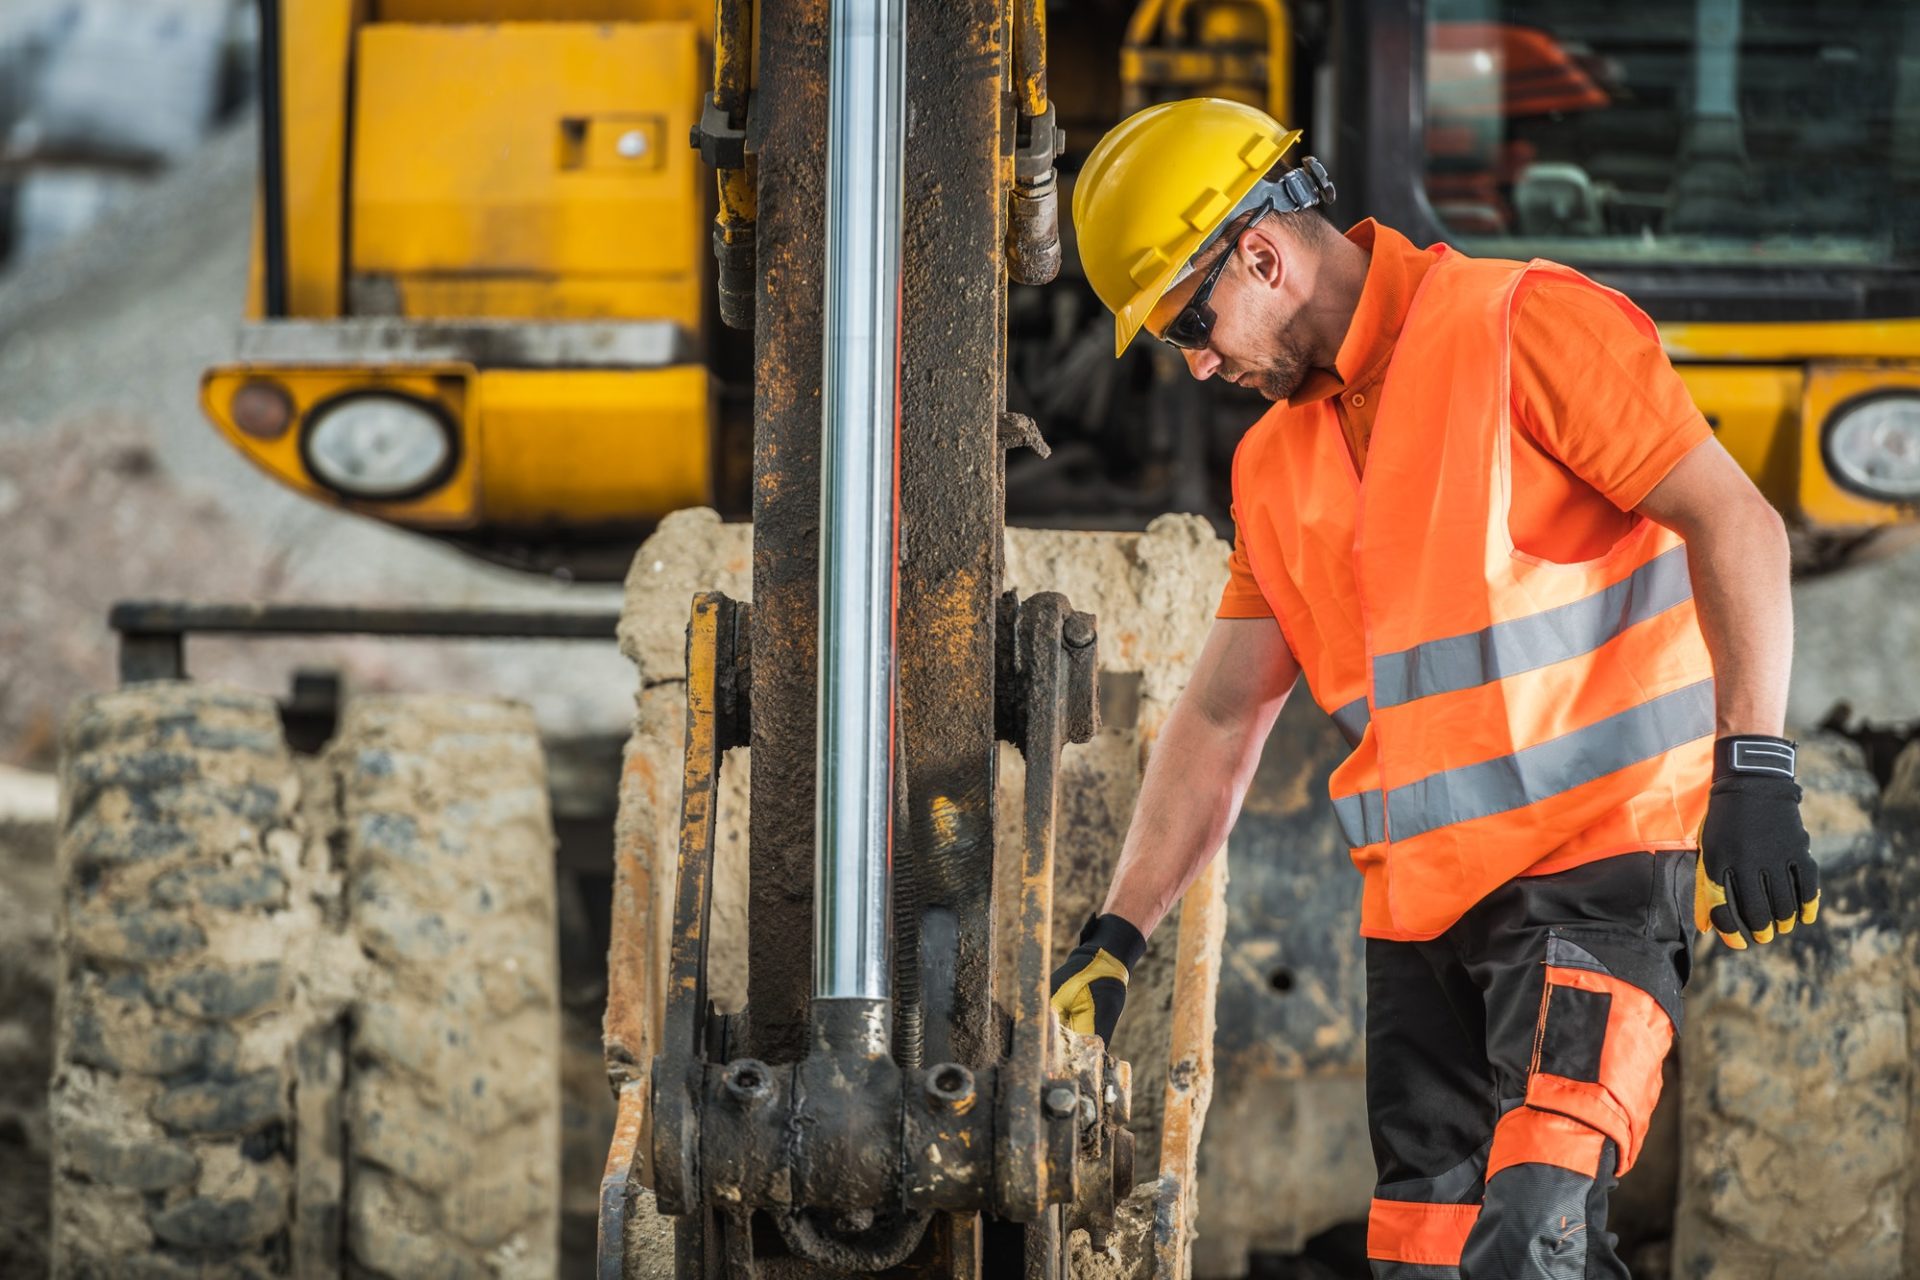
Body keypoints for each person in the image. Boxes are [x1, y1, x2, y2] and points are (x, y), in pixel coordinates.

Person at [1048, 98, 1820, 1280]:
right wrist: (1115, 934)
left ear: (1262, 251)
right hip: (1420, 923)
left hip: (1597, 877)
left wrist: (1754, 767)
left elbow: (1737, 521)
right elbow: (1219, 715)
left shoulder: (1528, 326)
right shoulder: (1273, 466)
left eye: (1190, 321)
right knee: (1426, 1260)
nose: (1196, 360)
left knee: (1532, 1247)